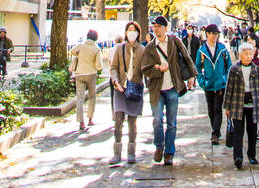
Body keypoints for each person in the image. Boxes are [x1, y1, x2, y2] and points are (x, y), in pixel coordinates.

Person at [140, 14, 197, 166]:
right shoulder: (150, 47)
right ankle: (159, 146)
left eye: (159, 26)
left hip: (172, 87)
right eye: (154, 26)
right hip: (156, 89)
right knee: (157, 120)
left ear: (166, 28)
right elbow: (145, 69)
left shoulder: (174, 41)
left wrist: (192, 76)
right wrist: (158, 69)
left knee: (172, 122)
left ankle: (169, 152)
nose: (156, 29)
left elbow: (186, 57)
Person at [224, 42, 259, 169]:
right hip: (238, 104)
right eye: (245, 54)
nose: (248, 57)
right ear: (240, 56)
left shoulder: (257, 70)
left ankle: (252, 154)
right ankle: (238, 157)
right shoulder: (234, 69)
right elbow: (229, 88)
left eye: (250, 54)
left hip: (253, 104)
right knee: (238, 132)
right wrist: (227, 106)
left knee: (252, 131)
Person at [109, 21, 145, 165]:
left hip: (135, 89)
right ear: (125, 32)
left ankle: (131, 152)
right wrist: (116, 81)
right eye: (129, 30)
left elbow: (146, 68)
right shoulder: (120, 48)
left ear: (138, 33)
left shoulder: (142, 50)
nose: (131, 32)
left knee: (132, 121)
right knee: (118, 121)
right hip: (120, 89)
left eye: (134, 30)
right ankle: (117, 153)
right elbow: (113, 67)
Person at [195, 23, 233, 144]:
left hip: (220, 84)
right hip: (208, 84)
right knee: (211, 110)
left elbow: (229, 66)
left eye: (216, 34)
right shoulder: (202, 51)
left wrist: (225, 79)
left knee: (217, 108)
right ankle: (215, 129)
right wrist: (202, 81)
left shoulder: (222, 49)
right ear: (207, 34)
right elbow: (197, 68)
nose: (214, 36)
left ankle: (215, 133)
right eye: (212, 34)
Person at [70, 27, 103, 132]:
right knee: (92, 97)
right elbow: (99, 65)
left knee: (80, 98)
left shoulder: (80, 46)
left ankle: (81, 122)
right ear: (96, 38)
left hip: (79, 74)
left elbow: (72, 52)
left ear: (87, 36)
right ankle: (90, 119)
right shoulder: (97, 49)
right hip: (91, 74)